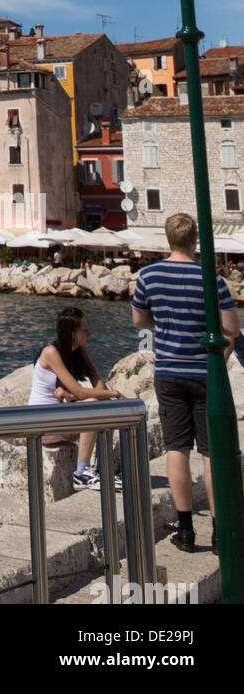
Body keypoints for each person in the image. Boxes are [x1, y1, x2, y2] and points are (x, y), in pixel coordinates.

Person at [132, 212, 241, 553]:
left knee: (177, 449)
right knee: (211, 453)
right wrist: (218, 357)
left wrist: (166, 322)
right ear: (195, 240)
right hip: (206, 374)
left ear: (168, 239)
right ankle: (220, 531)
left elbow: (139, 319)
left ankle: (186, 529)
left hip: (169, 372)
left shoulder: (148, 276)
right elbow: (232, 329)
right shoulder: (212, 278)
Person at [28, 306, 122, 490]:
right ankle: (81, 473)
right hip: (41, 421)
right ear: (72, 333)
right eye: (84, 330)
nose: (89, 333)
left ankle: (100, 469)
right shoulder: (50, 352)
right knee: (93, 406)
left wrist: (103, 395)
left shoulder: (78, 350)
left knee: (104, 408)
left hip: (59, 417)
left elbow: (96, 380)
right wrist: (115, 394)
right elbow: (79, 392)